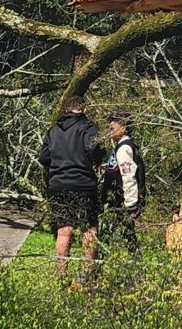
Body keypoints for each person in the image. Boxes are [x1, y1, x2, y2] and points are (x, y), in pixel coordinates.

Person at [40, 99, 103, 275]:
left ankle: (62, 276)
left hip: (58, 185)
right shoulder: (88, 127)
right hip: (83, 183)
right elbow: (93, 150)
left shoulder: (53, 130)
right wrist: (97, 158)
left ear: (66, 109)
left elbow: (43, 158)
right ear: (83, 108)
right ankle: (90, 275)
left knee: (63, 230)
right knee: (89, 228)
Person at [100, 115, 144, 251]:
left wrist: (131, 204)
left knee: (118, 232)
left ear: (124, 128)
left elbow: (128, 175)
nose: (110, 129)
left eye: (114, 126)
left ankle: (134, 261)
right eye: (109, 127)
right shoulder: (120, 147)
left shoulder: (125, 148)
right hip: (116, 198)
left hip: (122, 200)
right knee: (123, 232)